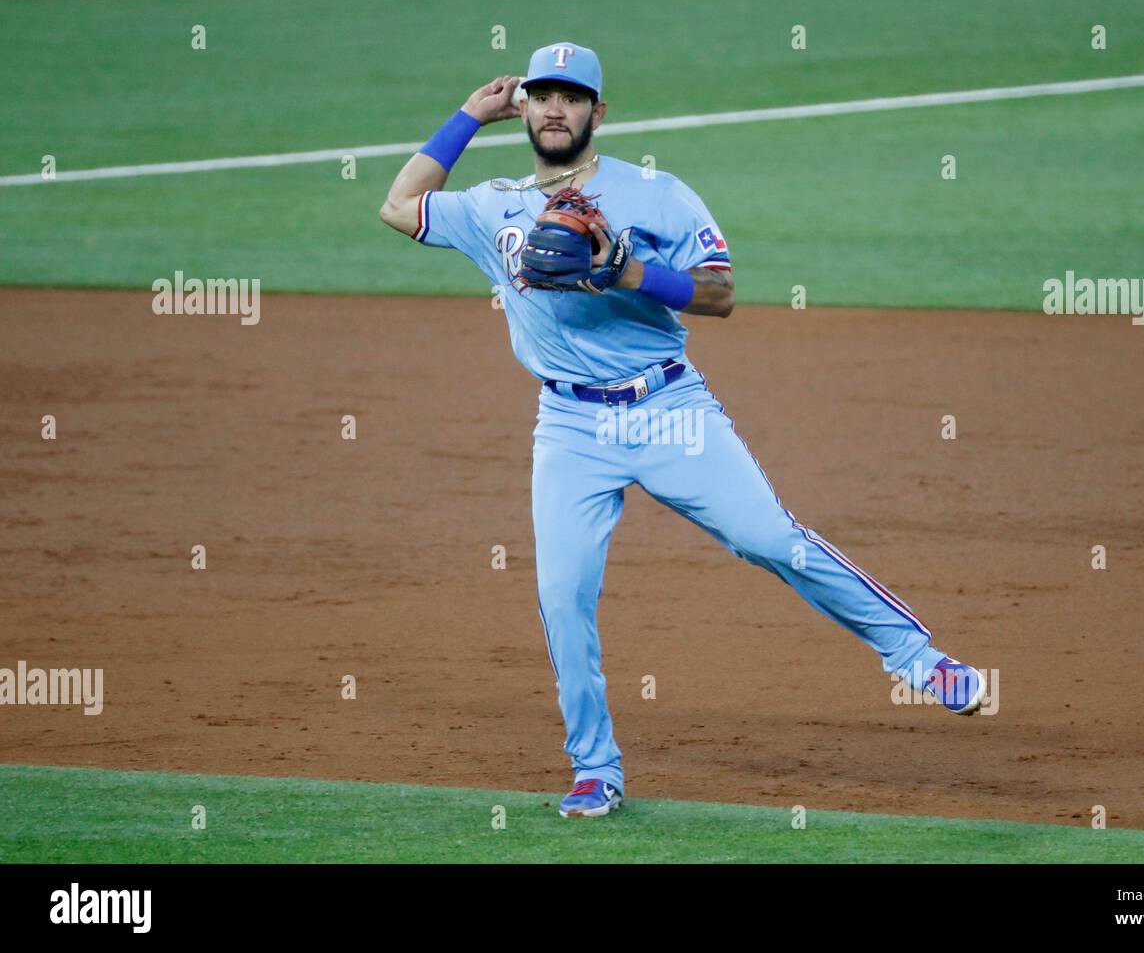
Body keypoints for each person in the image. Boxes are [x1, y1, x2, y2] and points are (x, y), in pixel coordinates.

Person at [380, 42, 987, 819]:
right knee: (561, 595)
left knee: (773, 539)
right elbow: (398, 206)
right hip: (568, 424)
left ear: (600, 112)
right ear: (523, 107)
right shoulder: (492, 206)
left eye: (573, 97)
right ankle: (595, 769)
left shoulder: (658, 194)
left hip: (670, 410)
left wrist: (630, 272)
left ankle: (920, 660)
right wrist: (467, 115)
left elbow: (721, 294)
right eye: (542, 96)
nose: (556, 109)